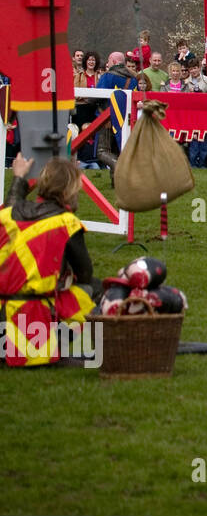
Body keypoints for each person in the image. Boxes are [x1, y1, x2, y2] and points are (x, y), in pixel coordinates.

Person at [2, 155, 100, 365]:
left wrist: (18, 178)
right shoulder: (66, 223)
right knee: (94, 289)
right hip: (31, 320)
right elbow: (85, 273)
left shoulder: (7, 216)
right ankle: (57, 346)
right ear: (66, 193)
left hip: (3, 314)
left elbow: (12, 205)